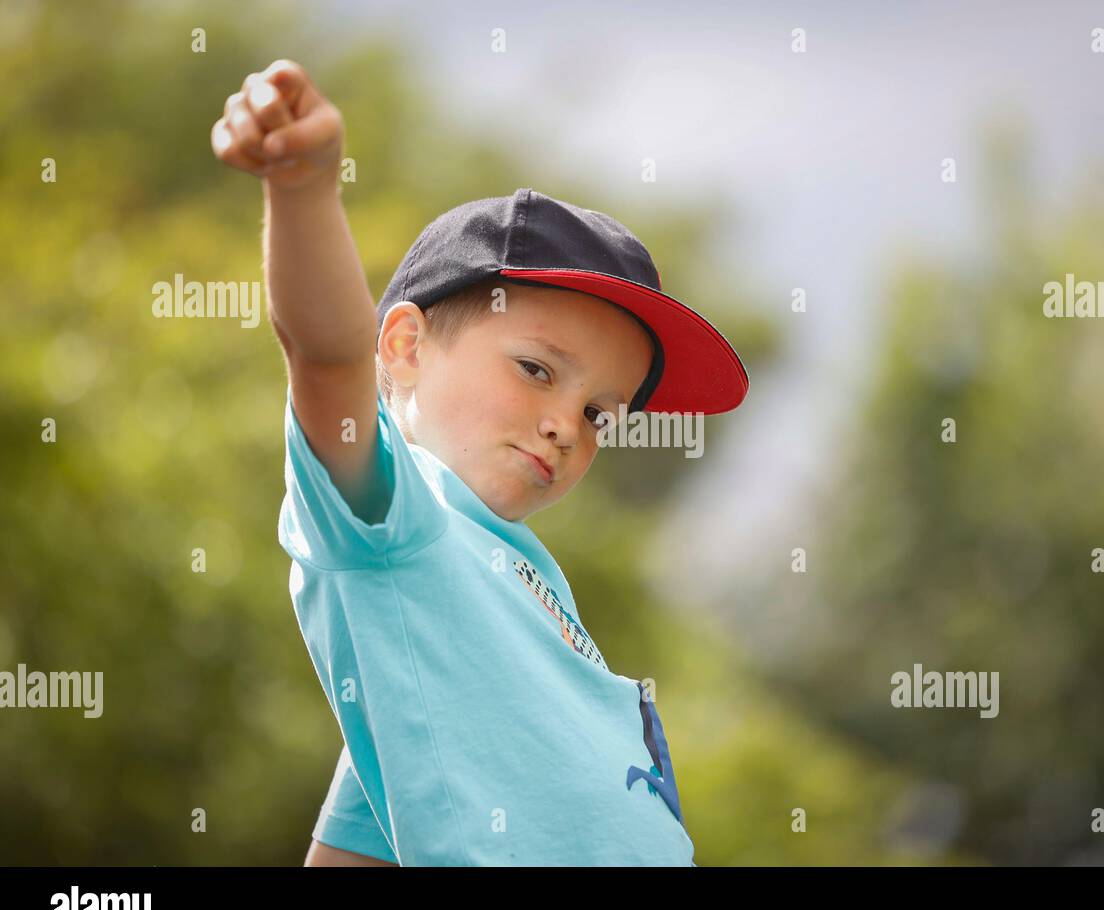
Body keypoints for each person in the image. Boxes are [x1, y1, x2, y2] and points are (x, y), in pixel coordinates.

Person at [211, 59, 748, 865]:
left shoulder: (502, 581)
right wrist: (304, 190)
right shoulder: (397, 517)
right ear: (403, 347)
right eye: (536, 370)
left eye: (601, 414)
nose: (568, 428)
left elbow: (366, 822)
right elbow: (326, 357)